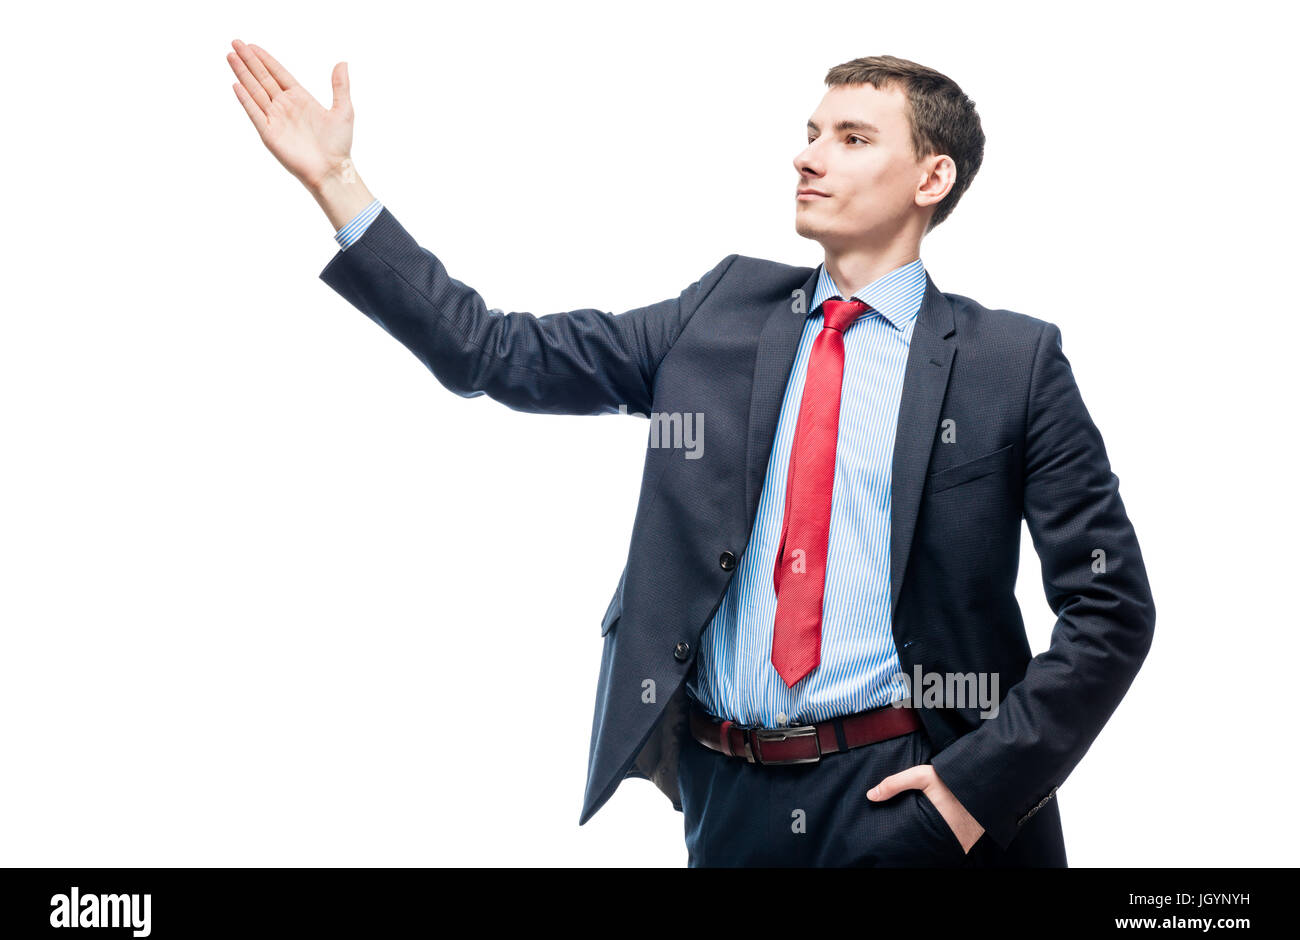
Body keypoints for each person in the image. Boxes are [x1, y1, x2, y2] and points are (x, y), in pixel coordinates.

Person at [228, 42, 1156, 867]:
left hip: (908, 795)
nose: (807, 154)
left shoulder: (1012, 362)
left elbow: (1110, 608)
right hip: (731, 800)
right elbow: (494, 352)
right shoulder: (719, 314)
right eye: (810, 130)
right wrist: (338, 183)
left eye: (851, 137)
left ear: (931, 179)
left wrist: (967, 795)